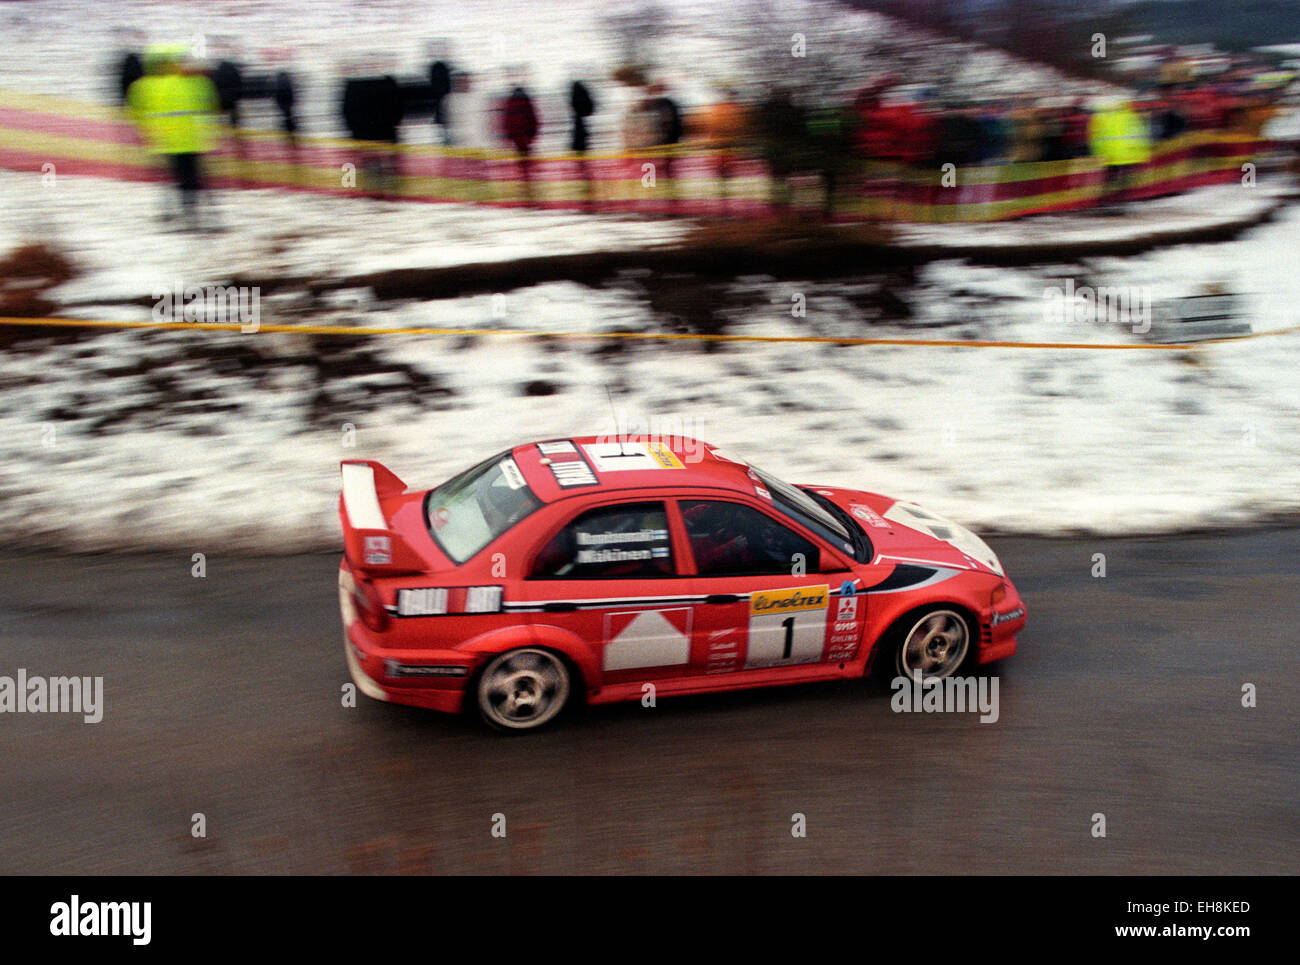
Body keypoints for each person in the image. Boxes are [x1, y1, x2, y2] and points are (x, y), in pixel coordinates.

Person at [127, 46, 221, 230]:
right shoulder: (195, 82)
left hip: (175, 141)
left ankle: (185, 214)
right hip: (186, 140)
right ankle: (195, 215)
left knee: (181, 179)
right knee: (191, 179)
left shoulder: (144, 86)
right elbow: (212, 105)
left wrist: (147, 132)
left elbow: (135, 111)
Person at [502, 85, 539, 203]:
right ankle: (530, 191)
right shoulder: (527, 102)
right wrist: (532, 138)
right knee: (529, 167)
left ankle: (524, 191)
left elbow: (507, 123)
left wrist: (510, 138)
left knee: (521, 167)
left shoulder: (510, 103)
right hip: (527, 141)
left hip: (517, 141)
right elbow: (534, 121)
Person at [569, 79, 596, 207]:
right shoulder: (582, 114)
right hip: (582, 140)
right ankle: (587, 190)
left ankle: (585, 190)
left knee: (582, 167)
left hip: (578, 141)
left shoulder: (574, 111)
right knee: (585, 167)